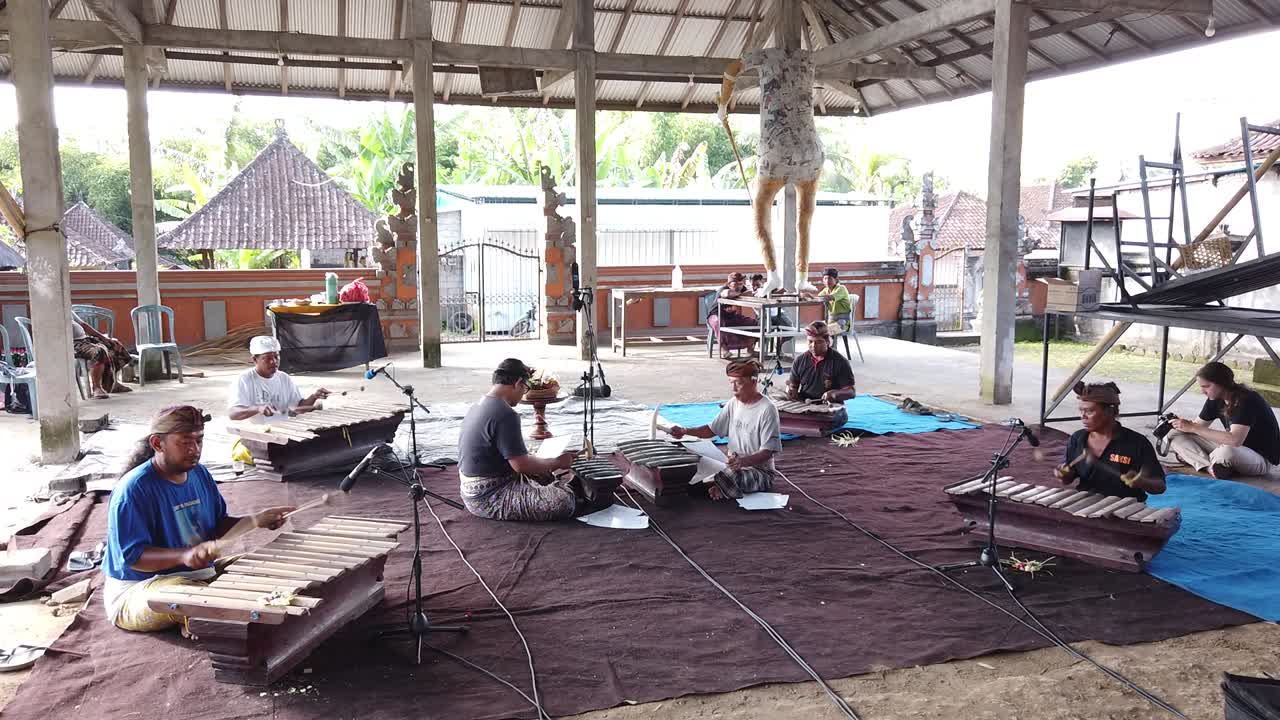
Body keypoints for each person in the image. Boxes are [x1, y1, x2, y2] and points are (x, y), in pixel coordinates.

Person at [103, 405, 294, 632]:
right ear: (157, 444)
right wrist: (185, 555)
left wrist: (257, 519)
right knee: (185, 595)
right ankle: (203, 615)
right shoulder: (133, 490)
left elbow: (218, 525)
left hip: (199, 577)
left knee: (266, 565)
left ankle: (203, 608)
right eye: (185, 442)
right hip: (140, 590)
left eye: (199, 440)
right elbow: (134, 558)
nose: (195, 449)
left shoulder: (200, 474)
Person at [718, 48, 823, 296]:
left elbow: (732, 68)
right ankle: (802, 277)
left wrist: (723, 104)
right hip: (811, 150)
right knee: (805, 217)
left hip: (775, 150)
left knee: (761, 211)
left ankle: (773, 275)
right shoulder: (809, 58)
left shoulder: (764, 56)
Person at [457, 358, 591, 521]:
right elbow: (521, 466)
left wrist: (550, 461)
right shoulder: (506, 414)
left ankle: (552, 485)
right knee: (564, 501)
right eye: (525, 388)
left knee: (545, 474)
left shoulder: (479, 404)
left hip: (471, 489)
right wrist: (557, 462)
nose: (524, 394)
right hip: (488, 496)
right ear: (518, 383)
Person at [669, 359, 782, 500]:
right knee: (695, 462)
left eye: (738, 383)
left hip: (758, 471)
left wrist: (743, 462)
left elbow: (768, 452)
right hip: (731, 465)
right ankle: (718, 486)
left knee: (731, 476)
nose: (733, 389)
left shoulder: (767, 409)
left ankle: (720, 487)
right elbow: (711, 430)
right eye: (731, 383)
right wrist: (685, 431)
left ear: (754, 382)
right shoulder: (733, 403)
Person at [1166, 361, 1280, 479]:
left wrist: (1193, 429)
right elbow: (1198, 426)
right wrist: (1180, 424)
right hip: (1230, 447)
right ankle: (1210, 467)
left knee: (1226, 452)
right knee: (1173, 434)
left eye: (1206, 386)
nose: (1202, 391)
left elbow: (1235, 440)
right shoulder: (1215, 398)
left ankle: (1201, 460)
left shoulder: (1247, 399)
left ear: (1222, 383)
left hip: (1259, 458)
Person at [1054, 382, 1165, 500]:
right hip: (1085, 503)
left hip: (1125, 508)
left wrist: (1142, 482)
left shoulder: (1137, 443)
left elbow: (1160, 486)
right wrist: (1064, 475)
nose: (1083, 416)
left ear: (1110, 411)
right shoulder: (1078, 438)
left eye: (1089, 411)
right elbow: (1068, 479)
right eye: (1081, 411)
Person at [228, 336, 330, 422]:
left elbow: (298, 409)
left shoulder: (284, 378)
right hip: (254, 434)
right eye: (267, 358)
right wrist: (257, 409)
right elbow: (233, 414)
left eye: (276, 357)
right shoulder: (244, 379)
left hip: (281, 432)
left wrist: (314, 397)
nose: (274, 362)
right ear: (255, 360)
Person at [787, 320, 855, 410]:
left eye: (818, 342)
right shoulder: (799, 361)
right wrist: (790, 391)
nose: (813, 346)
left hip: (830, 407)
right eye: (810, 341)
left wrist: (835, 394)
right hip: (805, 405)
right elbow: (793, 386)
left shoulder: (840, 362)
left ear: (827, 342)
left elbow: (851, 392)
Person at [71, 309, 133, 400]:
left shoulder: (66, 308)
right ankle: (97, 387)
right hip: (74, 344)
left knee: (114, 344)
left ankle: (112, 382)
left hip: (85, 339)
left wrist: (104, 338)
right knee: (99, 351)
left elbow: (84, 325)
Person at [706, 272, 758, 359]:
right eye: (736, 283)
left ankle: (750, 349)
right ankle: (724, 350)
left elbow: (751, 293)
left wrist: (744, 292)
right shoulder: (723, 289)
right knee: (718, 322)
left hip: (732, 317)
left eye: (741, 283)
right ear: (729, 284)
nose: (740, 286)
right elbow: (727, 293)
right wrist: (740, 294)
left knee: (754, 323)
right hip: (716, 315)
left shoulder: (742, 289)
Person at [805, 268, 854, 333]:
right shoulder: (826, 290)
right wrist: (807, 296)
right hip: (831, 321)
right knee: (812, 329)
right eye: (825, 278)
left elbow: (829, 297)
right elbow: (818, 298)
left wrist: (813, 296)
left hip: (843, 323)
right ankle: (820, 343)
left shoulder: (841, 288)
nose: (827, 281)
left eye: (830, 278)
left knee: (823, 331)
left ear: (836, 280)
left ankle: (829, 343)